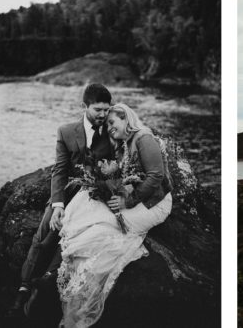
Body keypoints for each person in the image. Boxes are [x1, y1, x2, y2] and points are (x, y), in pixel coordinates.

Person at [56, 102, 173, 327]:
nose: (109, 127)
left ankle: (83, 295)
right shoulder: (126, 144)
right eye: (107, 124)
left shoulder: (143, 138)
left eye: (112, 122)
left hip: (155, 205)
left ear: (125, 117)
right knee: (91, 207)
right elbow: (129, 175)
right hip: (139, 197)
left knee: (105, 230)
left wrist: (127, 201)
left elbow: (156, 176)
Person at [9, 83, 113, 316]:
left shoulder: (113, 130)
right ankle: (23, 288)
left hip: (95, 195)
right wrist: (57, 205)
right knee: (46, 229)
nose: (104, 115)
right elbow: (60, 170)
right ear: (84, 106)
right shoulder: (66, 131)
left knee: (69, 236)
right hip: (68, 192)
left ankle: (47, 282)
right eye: (98, 110)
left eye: (107, 109)